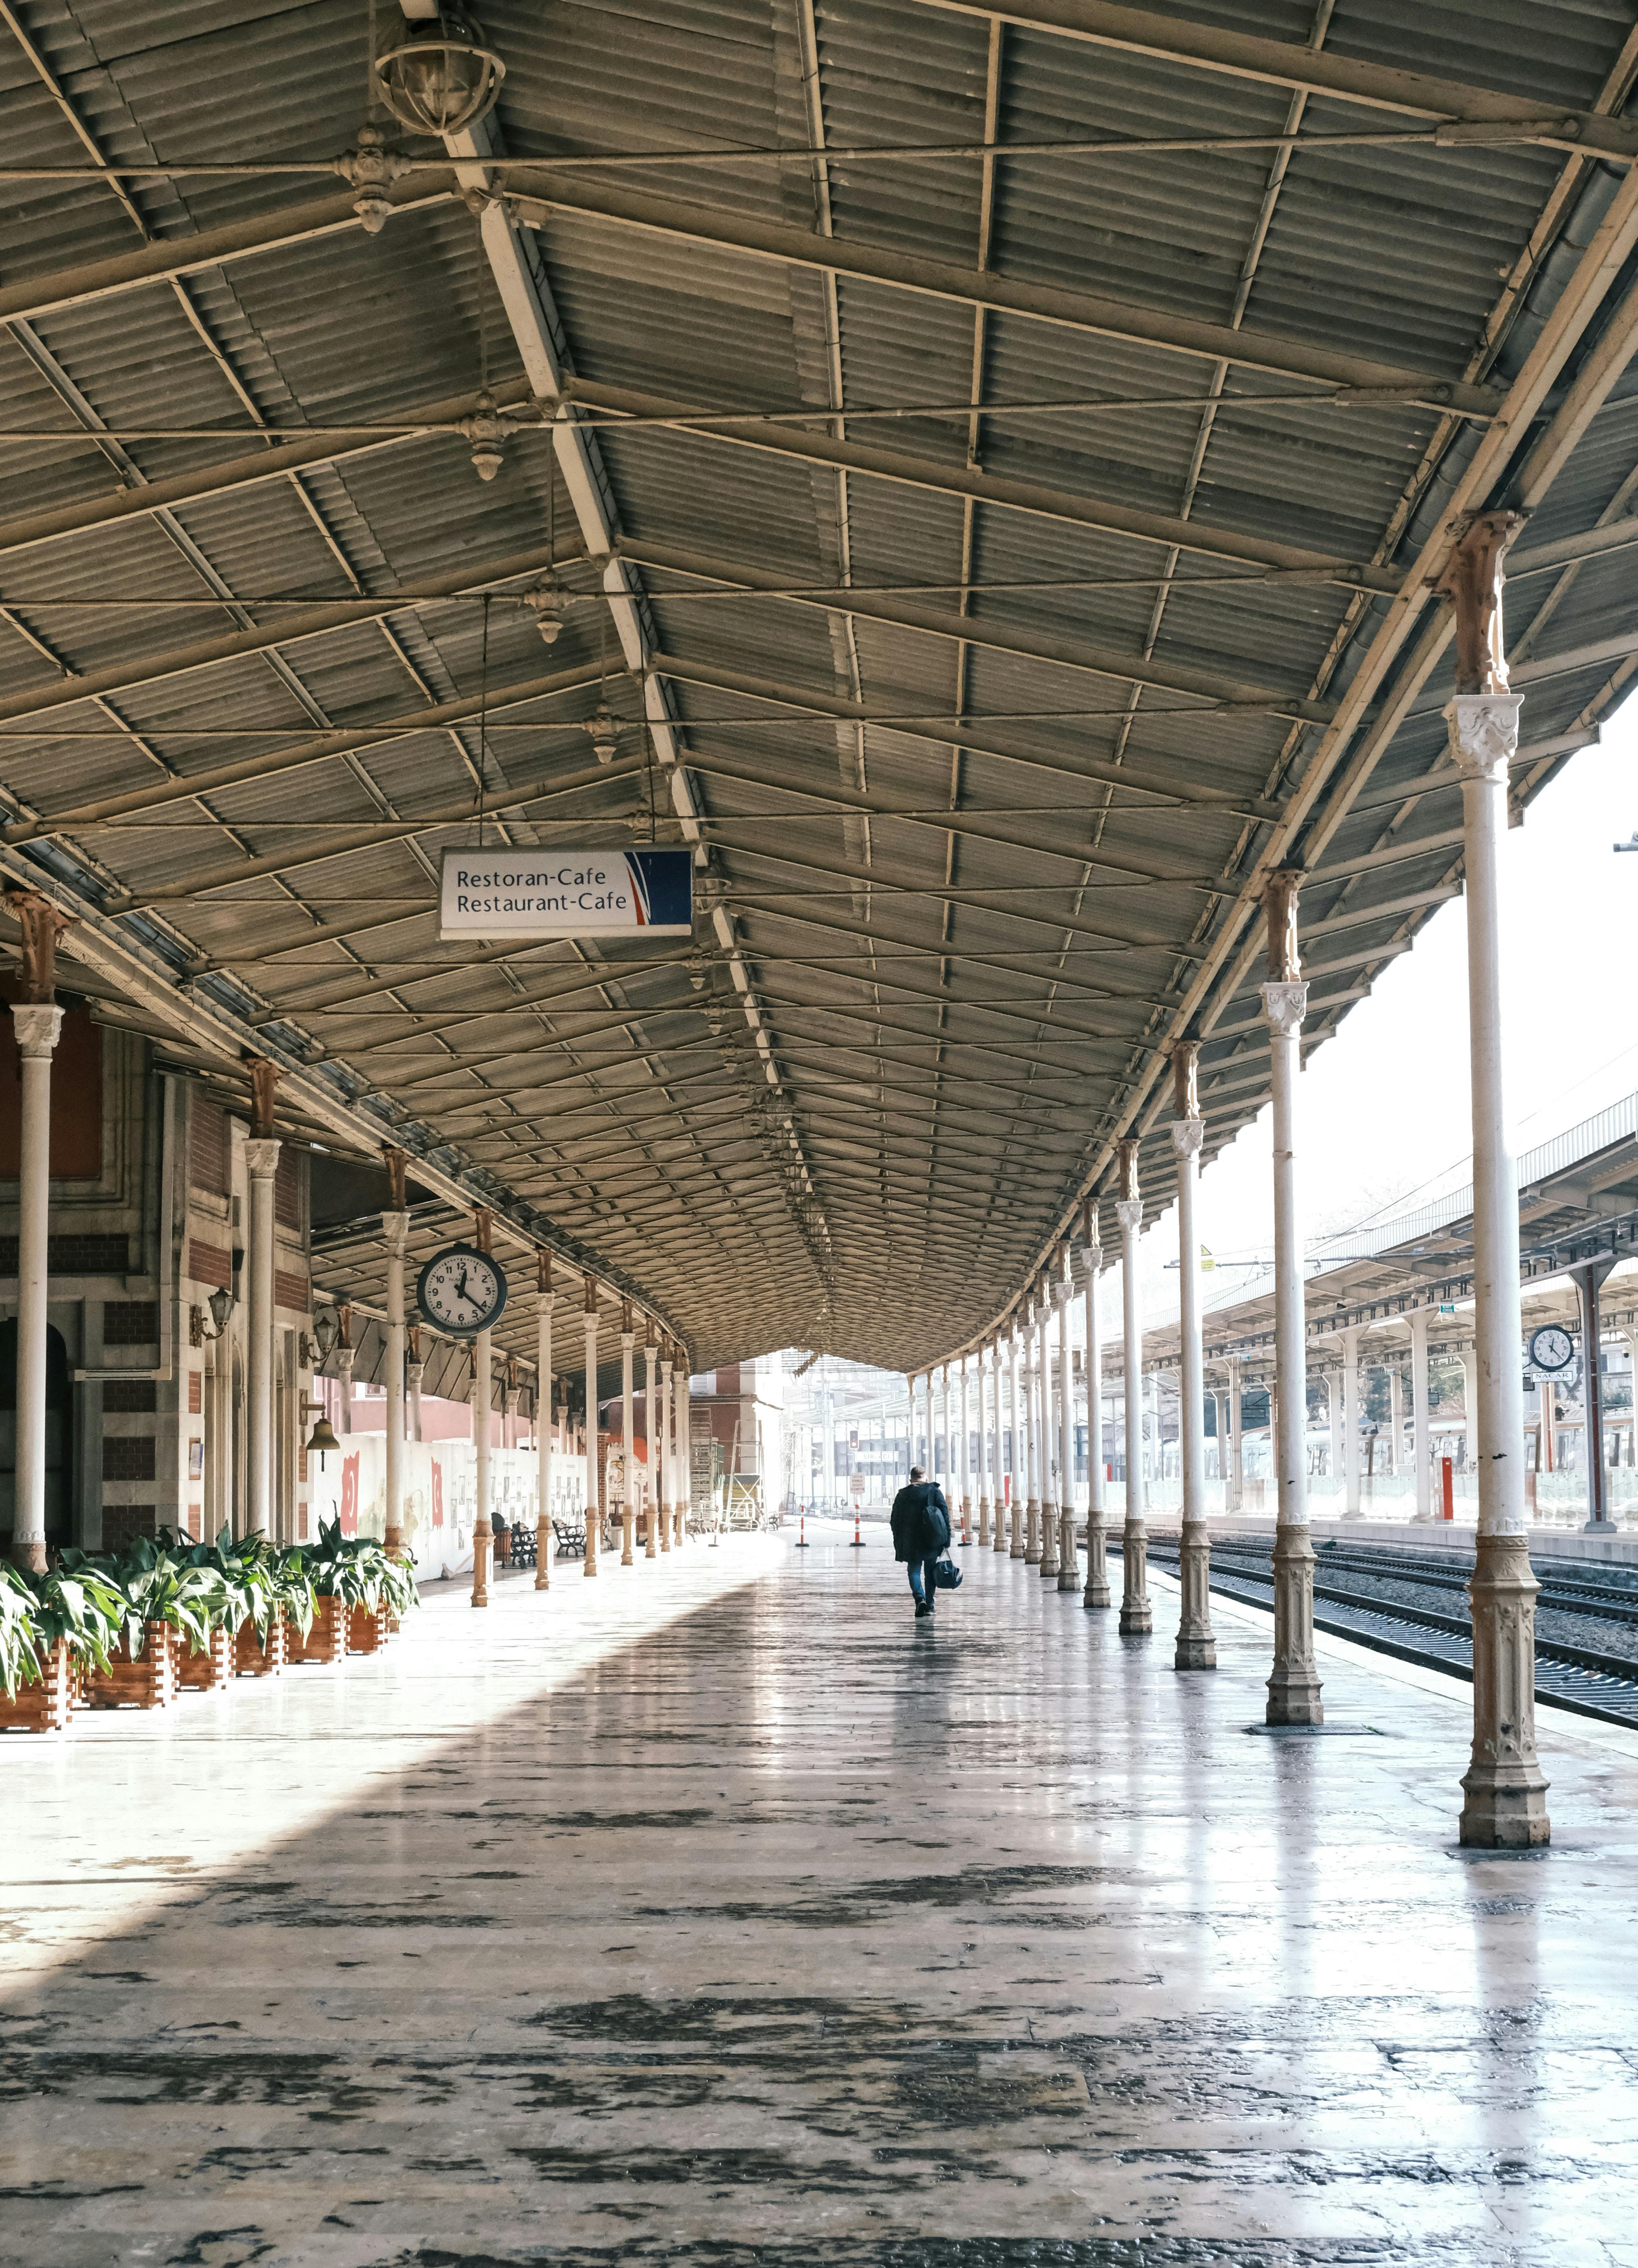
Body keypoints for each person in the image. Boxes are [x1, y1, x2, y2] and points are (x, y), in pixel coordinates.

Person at [890, 1467, 951, 1619]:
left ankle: (920, 1600)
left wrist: (899, 1541)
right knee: (930, 1573)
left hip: (911, 1542)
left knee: (914, 1571)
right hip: (932, 1539)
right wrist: (947, 1539)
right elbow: (945, 1515)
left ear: (911, 1480)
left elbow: (894, 1521)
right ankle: (930, 1606)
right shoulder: (934, 1491)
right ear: (926, 1478)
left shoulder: (902, 1494)